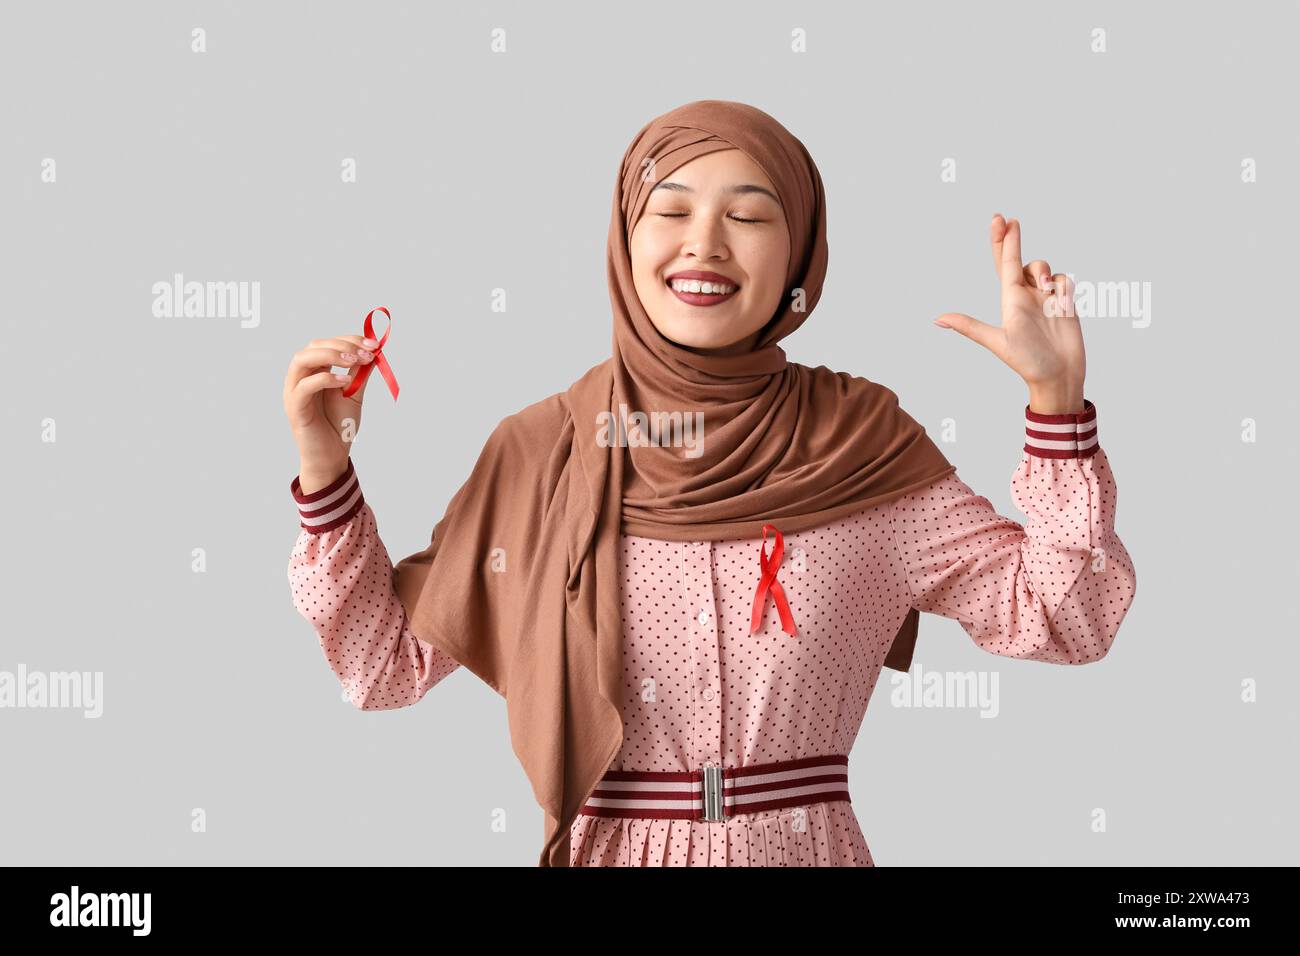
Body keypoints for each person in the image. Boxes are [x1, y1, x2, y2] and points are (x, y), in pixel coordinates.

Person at [281, 100, 1136, 867]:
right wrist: (327, 475)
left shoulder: (860, 443)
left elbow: (1072, 617)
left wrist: (1055, 407)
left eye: (749, 216)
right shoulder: (544, 452)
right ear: (625, 237)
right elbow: (381, 665)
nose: (705, 243)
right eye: (671, 210)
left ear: (798, 250)